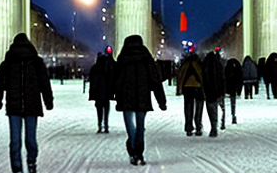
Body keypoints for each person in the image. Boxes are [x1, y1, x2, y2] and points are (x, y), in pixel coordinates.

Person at [0, 33, 54, 173]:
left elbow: (0, 83)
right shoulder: (36, 62)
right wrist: (48, 100)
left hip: (13, 105)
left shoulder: (7, 62)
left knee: (15, 140)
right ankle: (31, 164)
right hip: (32, 104)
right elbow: (44, 82)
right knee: (30, 139)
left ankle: (17, 170)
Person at [114, 33, 167, 165]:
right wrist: (161, 101)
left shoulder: (122, 58)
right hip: (143, 97)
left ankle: (133, 150)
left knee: (130, 127)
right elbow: (155, 80)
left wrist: (114, 94)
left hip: (126, 98)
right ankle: (139, 152)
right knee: (140, 126)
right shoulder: (147, 59)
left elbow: (115, 80)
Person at [176, 47, 205, 135]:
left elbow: (180, 76)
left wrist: (179, 89)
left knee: (188, 107)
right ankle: (198, 126)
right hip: (198, 87)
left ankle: (189, 127)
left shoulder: (185, 64)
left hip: (187, 88)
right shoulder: (198, 63)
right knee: (199, 107)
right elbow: (202, 75)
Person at [88, 47, 116, 133]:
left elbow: (91, 81)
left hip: (97, 93)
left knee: (99, 110)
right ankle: (106, 125)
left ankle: (100, 125)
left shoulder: (94, 68)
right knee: (106, 109)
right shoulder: (108, 69)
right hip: (107, 93)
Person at [201, 48, 226, 136]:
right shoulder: (219, 64)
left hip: (209, 92)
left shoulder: (205, 65)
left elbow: (203, 78)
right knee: (221, 108)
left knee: (211, 110)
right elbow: (222, 77)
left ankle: (213, 126)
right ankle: (221, 123)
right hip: (218, 90)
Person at [224, 57, 243, 124]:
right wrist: (239, 90)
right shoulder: (238, 70)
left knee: (224, 104)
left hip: (228, 88)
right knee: (233, 103)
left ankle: (223, 118)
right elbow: (240, 80)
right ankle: (233, 116)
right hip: (234, 88)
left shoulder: (227, 69)